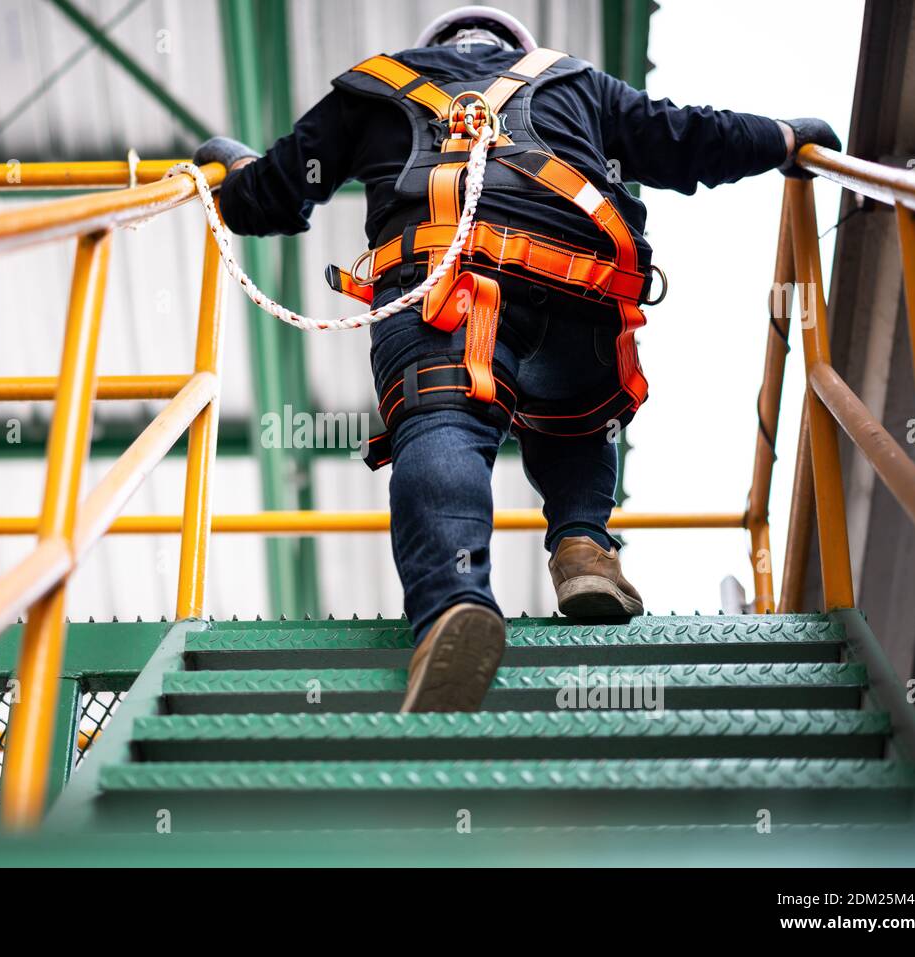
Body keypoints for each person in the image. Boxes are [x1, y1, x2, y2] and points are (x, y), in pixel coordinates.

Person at [192, 5, 840, 712]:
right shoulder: (576, 83)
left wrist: (228, 168)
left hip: (445, 293)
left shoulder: (372, 88)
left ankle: (453, 604)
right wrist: (783, 139)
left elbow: (270, 198)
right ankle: (584, 548)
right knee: (574, 422)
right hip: (582, 296)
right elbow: (687, 137)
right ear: (519, 50)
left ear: (430, 49)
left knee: (442, 427)